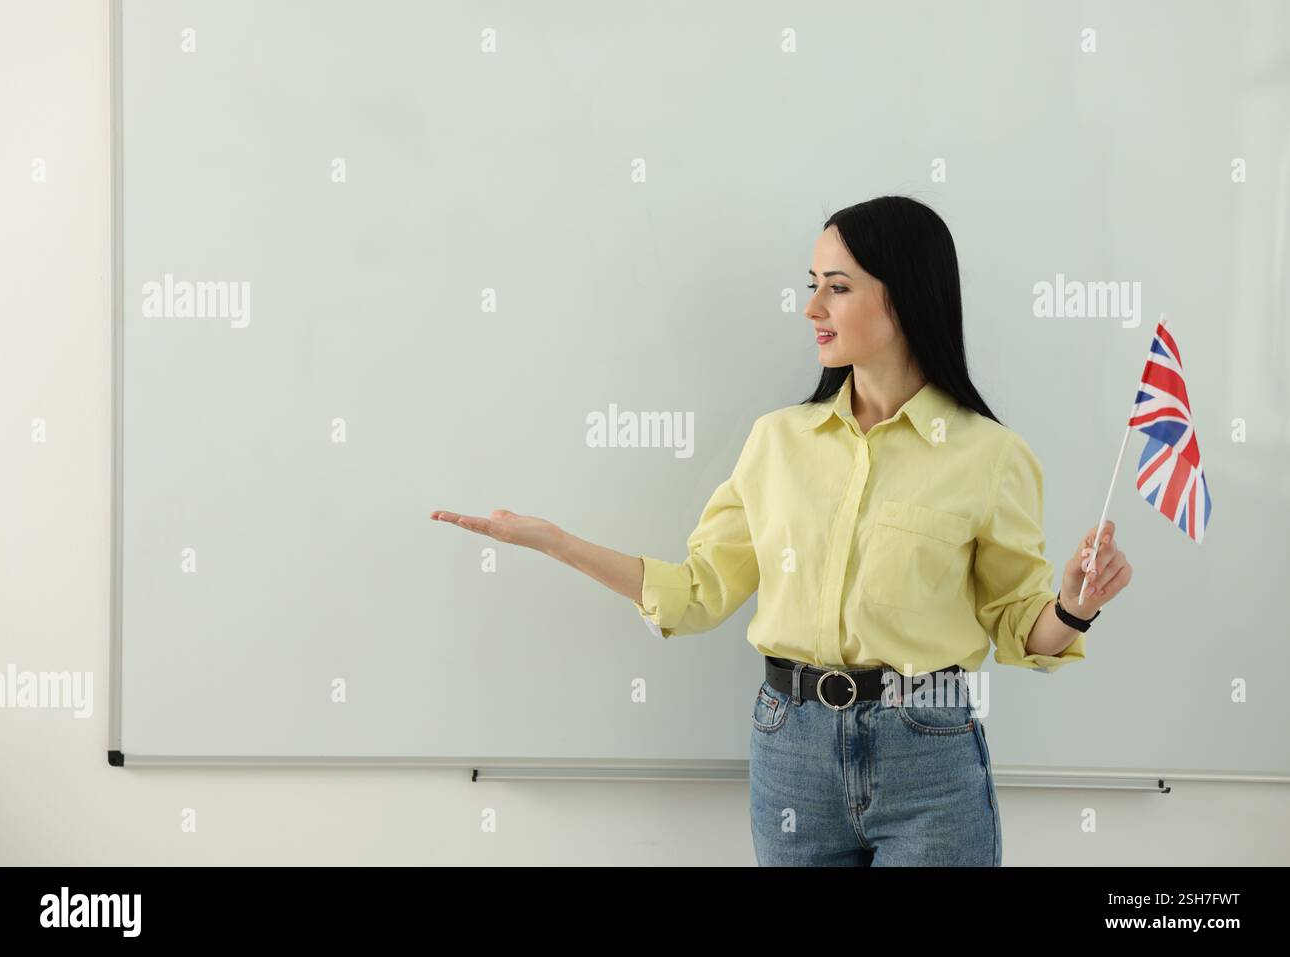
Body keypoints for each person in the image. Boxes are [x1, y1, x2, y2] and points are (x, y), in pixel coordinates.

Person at [431, 195, 1133, 866]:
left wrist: (1074, 602)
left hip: (930, 751)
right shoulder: (777, 442)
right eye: (813, 285)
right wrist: (555, 540)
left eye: (838, 287)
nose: (812, 308)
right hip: (790, 749)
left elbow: (1019, 626)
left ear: (904, 295)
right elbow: (700, 591)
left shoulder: (990, 456)